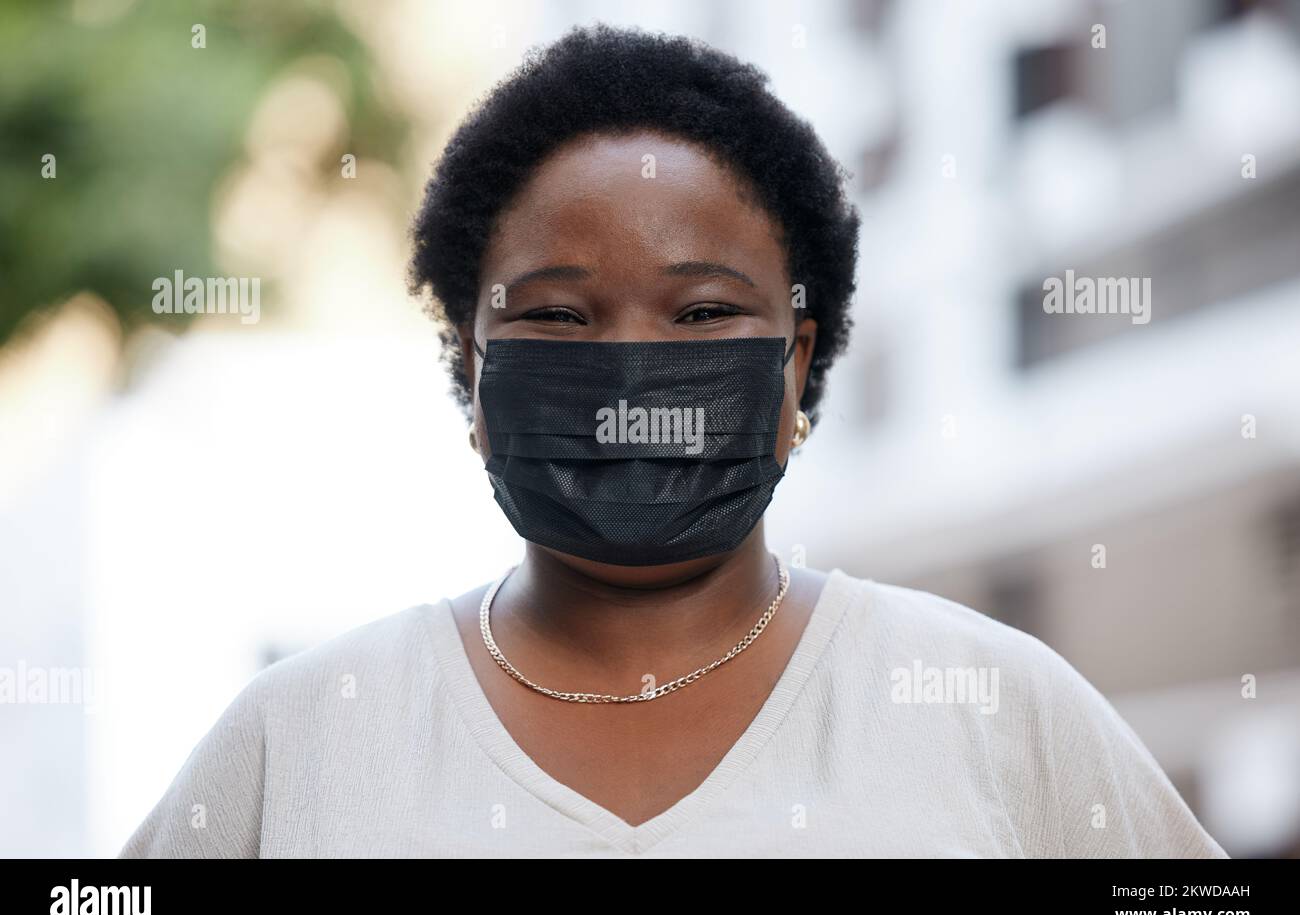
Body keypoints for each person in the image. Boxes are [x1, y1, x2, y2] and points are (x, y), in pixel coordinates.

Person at [120, 24, 1226, 858]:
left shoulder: (993, 705)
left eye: (700, 314)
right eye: (557, 315)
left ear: (795, 363)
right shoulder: (301, 739)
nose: (630, 381)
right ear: (473, 369)